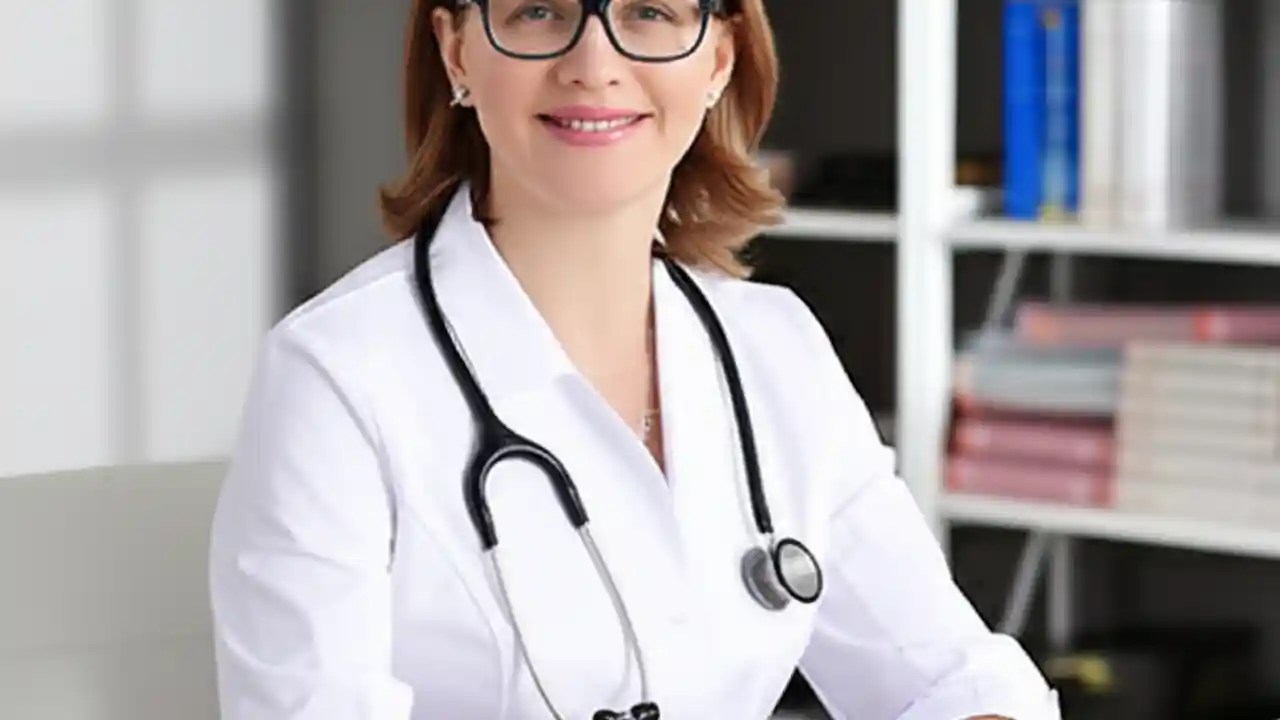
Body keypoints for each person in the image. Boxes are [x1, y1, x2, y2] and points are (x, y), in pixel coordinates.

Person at [208, 0, 1060, 717]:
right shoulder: (337, 373)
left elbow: (949, 678)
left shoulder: (774, 346)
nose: (593, 62)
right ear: (456, 49)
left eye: (649, 12)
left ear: (719, 58)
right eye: (538, 10)